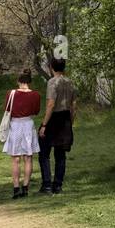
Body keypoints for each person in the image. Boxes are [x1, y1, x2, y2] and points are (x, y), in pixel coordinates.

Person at [39, 57, 76, 195]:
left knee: (44, 153)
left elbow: (51, 104)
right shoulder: (70, 82)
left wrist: (44, 124)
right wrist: (70, 122)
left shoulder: (52, 82)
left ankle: (47, 185)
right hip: (66, 118)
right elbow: (74, 105)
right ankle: (58, 185)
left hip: (54, 118)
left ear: (51, 67)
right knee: (60, 155)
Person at [2, 69, 41, 199]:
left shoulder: (11, 93)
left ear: (18, 81)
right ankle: (25, 188)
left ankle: (16, 188)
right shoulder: (36, 95)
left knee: (15, 159)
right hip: (28, 124)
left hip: (16, 125)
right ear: (29, 81)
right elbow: (36, 111)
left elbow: (7, 109)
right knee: (28, 158)